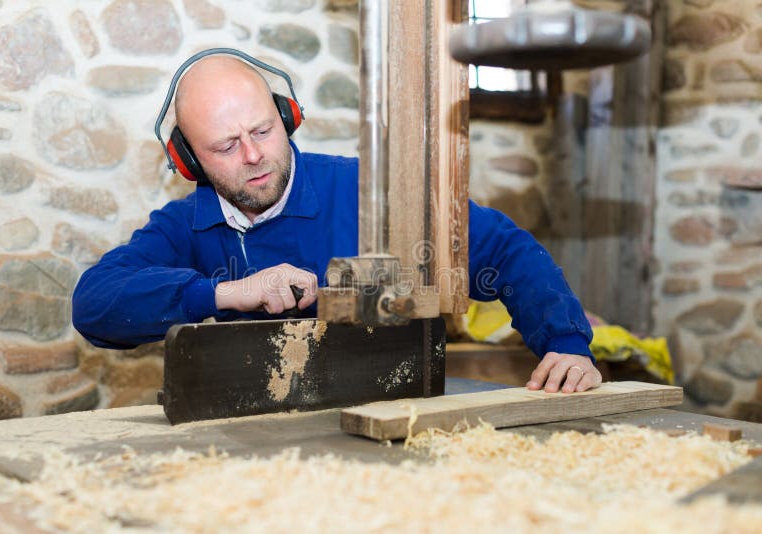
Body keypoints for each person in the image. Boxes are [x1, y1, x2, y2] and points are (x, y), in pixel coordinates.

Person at [72, 53, 602, 394]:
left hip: (391, 418)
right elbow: (94, 304)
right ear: (189, 159)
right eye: (226, 146)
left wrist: (566, 345)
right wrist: (227, 293)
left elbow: (506, 250)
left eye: (263, 130)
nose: (254, 155)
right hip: (258, 438)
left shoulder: (369, 191)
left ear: (287, 117)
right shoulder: (186, 225)